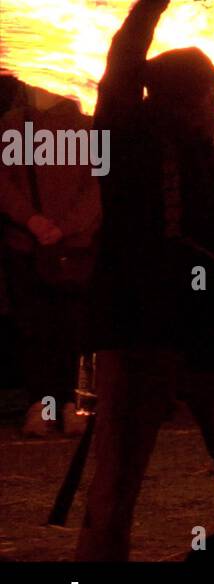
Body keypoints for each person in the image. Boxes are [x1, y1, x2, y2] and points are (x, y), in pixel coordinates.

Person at [76, 0, 214, 561]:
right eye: (207, 92)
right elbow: (122, 65)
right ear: (171, 101)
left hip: (213, 333)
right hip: (141, 332)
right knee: (116, 488)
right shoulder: (124, 143)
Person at [0, 83, 101, 437]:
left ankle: (70, 403)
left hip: (66, 248)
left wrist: (56, 226)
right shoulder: (13, 125)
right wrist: (34, 220)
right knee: (37, 327)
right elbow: (3, 181)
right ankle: (46, 404)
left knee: (69, 328)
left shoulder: (89, 128)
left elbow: (98, 185)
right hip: (31, 246)